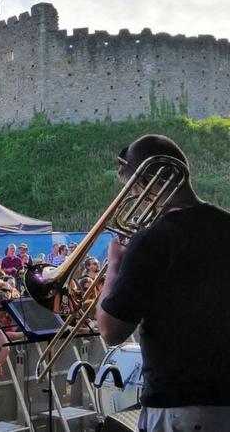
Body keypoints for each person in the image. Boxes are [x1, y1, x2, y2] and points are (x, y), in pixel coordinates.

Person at [97, 134, 230, 429]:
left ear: (143, 184)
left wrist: (115, 265)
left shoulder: (152, 238)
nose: (135, 199)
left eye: (132, 190)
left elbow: (110, 330)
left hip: (178, 406)